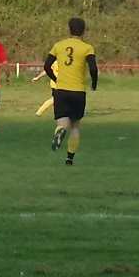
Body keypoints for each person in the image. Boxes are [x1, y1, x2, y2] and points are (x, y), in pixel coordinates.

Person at [44, 17, 99, 166]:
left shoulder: (59, 46)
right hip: (78, 91)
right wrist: (94, 83)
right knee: (75, 126)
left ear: (69, 30)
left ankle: (60, 130)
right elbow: (93, 68)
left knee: (62, 122)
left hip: (61, 90)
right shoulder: (87, 48)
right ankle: (69, 158)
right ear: (84, 31)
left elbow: (46, 66)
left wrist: (55, 79)